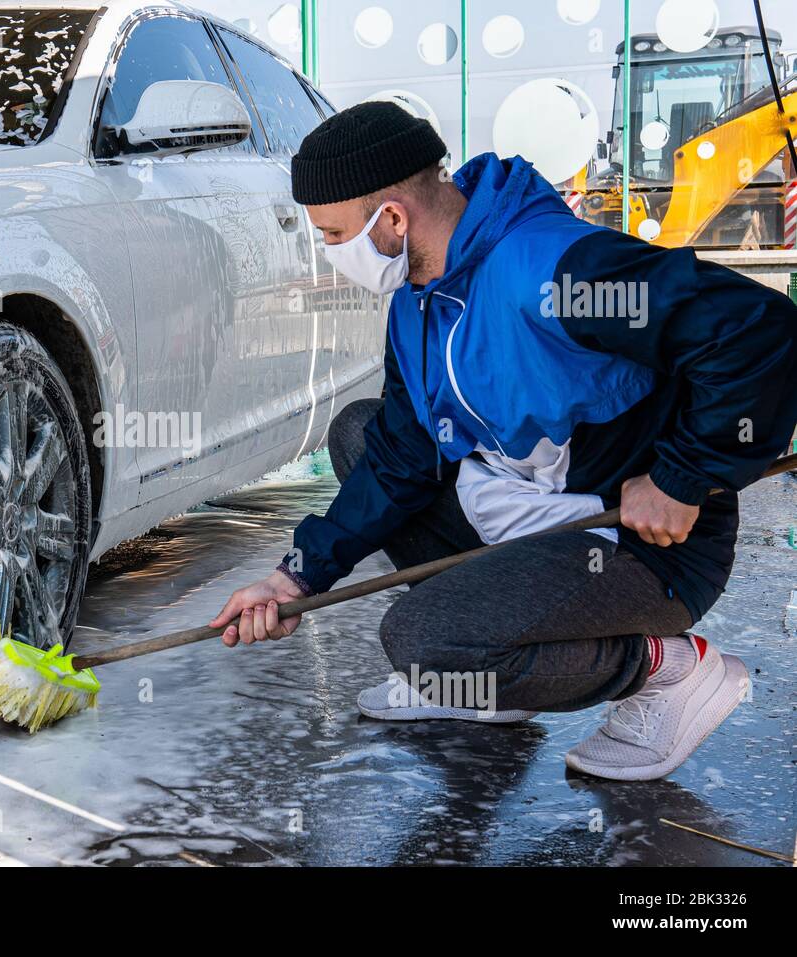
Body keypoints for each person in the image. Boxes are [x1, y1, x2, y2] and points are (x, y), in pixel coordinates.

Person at [210, 102, 797, 781]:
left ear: (392, 219)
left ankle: (671, 672)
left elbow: (760, 330)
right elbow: (403, 456)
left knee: (423, 641)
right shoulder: (415, 303)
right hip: (530, 512)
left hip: (639, 545)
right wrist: (298, 574)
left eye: (335, 233)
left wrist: (681, 477)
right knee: (362, 435)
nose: (331, 253)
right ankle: (479, 679)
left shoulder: (550, 270)